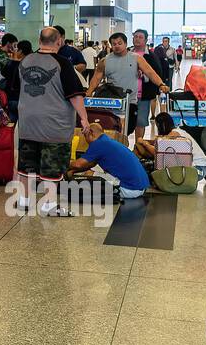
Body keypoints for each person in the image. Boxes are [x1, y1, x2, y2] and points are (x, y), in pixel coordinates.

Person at [17, 27, 92, 216]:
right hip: (54, 124)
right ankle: (48, 204)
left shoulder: (25, 61)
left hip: (27, 121)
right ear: (59, 41)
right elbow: (74, 95)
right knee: (52, 165)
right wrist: (84, 118)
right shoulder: (62, 63)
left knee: (27, 162)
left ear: (39, 39)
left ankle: (23, 200)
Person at [88, 32, 165, 145]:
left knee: (128, 129)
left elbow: (150, 72)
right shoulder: (104, 61)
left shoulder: (136, 58)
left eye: (120, 43)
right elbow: (96, 78)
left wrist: (161, 84)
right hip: (113, 101)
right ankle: (118, 148)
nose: (117, 46)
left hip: (130, 101)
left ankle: (126, 145)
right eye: (114, 44)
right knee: (113, 127)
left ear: (125, 44)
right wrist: (89, 91)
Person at [69, 123, 153, 199]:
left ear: (91, 133)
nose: (85, 140)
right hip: (140, 187)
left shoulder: (98, 144)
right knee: (91, 172)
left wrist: (61, 165)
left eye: (85, 136)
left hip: (130, 189)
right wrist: (73, 170)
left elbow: (78, 164)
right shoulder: (106, 141)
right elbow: (91, 164)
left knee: (89, 175)